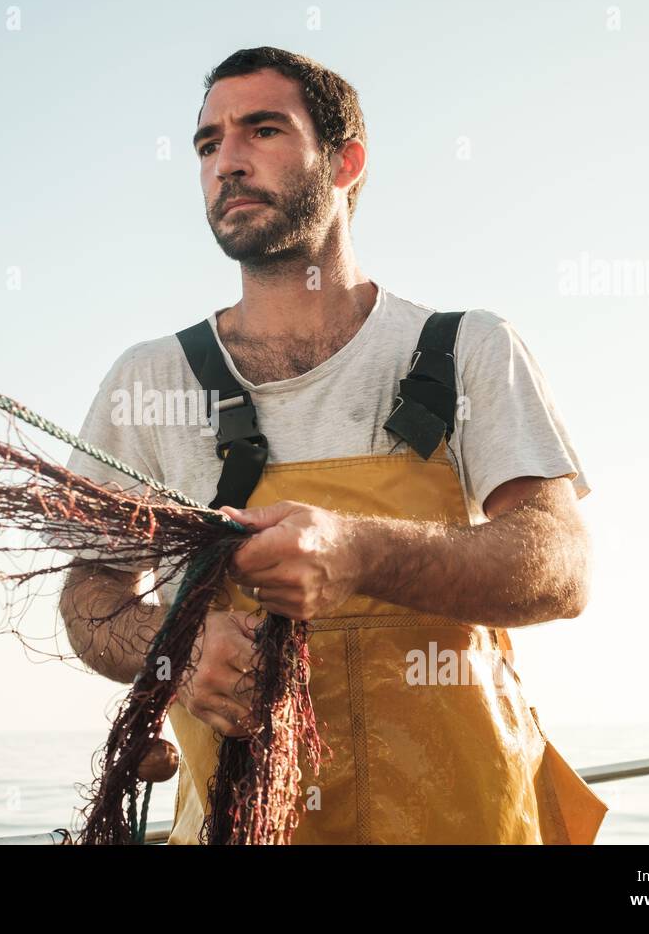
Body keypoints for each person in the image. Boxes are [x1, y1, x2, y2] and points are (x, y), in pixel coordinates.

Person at [57, 46, 608, 844]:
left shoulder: (467, 348)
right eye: (209, 144)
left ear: (346, 162)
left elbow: (562, 566)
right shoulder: (147, 378)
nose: (228, 162)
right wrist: (173, 650)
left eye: (263, 131)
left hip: (470, 823)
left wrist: (359, 552)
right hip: (242, 827)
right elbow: (89, 599)